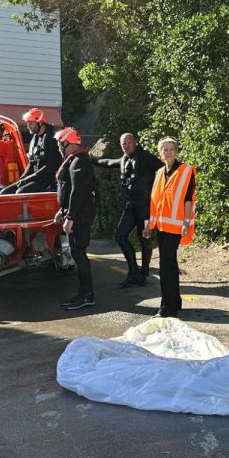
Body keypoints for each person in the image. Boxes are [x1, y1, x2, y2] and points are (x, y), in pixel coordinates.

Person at [96, 133, 163, 287]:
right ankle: (133, 271)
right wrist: (90, 159)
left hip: (146, 207)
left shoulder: (146, 157)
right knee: (120, 235)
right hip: (130, 206)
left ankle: (144, 272)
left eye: (128, 142)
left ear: (135, 142)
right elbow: (107, 162)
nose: (126, 145)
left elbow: (164, 170)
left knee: (144, 240)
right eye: (123, 143)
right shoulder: (123, 159)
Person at [143, 137, 196, 318]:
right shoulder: (159, 173)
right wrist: (149, 225)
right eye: (165, 149)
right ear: (160, 152)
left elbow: (188, 199)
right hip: (161, 226)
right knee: (169, 264)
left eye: (171, 149)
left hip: (176, 226)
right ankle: (174, 301)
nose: (168, 152)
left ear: (177, 151)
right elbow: (154, 202)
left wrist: (186, 222)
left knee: (166, 266)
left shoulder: (186, 171)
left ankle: (167, 307)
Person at [53, 127, 98, 310]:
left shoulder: (79, 161)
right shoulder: (74, 160)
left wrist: (70, 216)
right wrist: (62, 211)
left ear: (68, 143)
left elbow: (76, 191)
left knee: (79, 254)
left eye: (60, 143)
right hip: (74, 214)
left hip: (79, 216)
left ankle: (87, 295)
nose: (59, 147)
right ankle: (83, 293)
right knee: (77, 253)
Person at [0, 108, 63, 194]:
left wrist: (28, 179)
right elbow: (31, 162)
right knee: (4, 192)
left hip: (49, 178)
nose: (28, 126)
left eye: (31, 123)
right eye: (27, 123)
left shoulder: (52, 139)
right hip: (36, 177)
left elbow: (50, 167)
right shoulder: (35, 138)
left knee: (20, 192)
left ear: (40, 122)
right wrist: (23, 178)